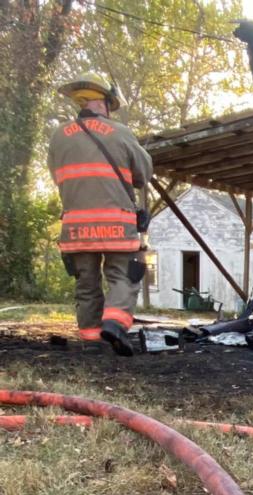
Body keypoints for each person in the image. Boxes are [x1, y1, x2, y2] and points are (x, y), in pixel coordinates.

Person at [48, 73, 153, 356]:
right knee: (125, 275)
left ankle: (91, 340)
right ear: (103, 101)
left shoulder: (58, 137)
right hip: (116, 224)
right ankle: (115, 324)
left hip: (76, 228)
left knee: (86, 282)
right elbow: (143, 174)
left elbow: (58, 177)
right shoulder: (120, 132)